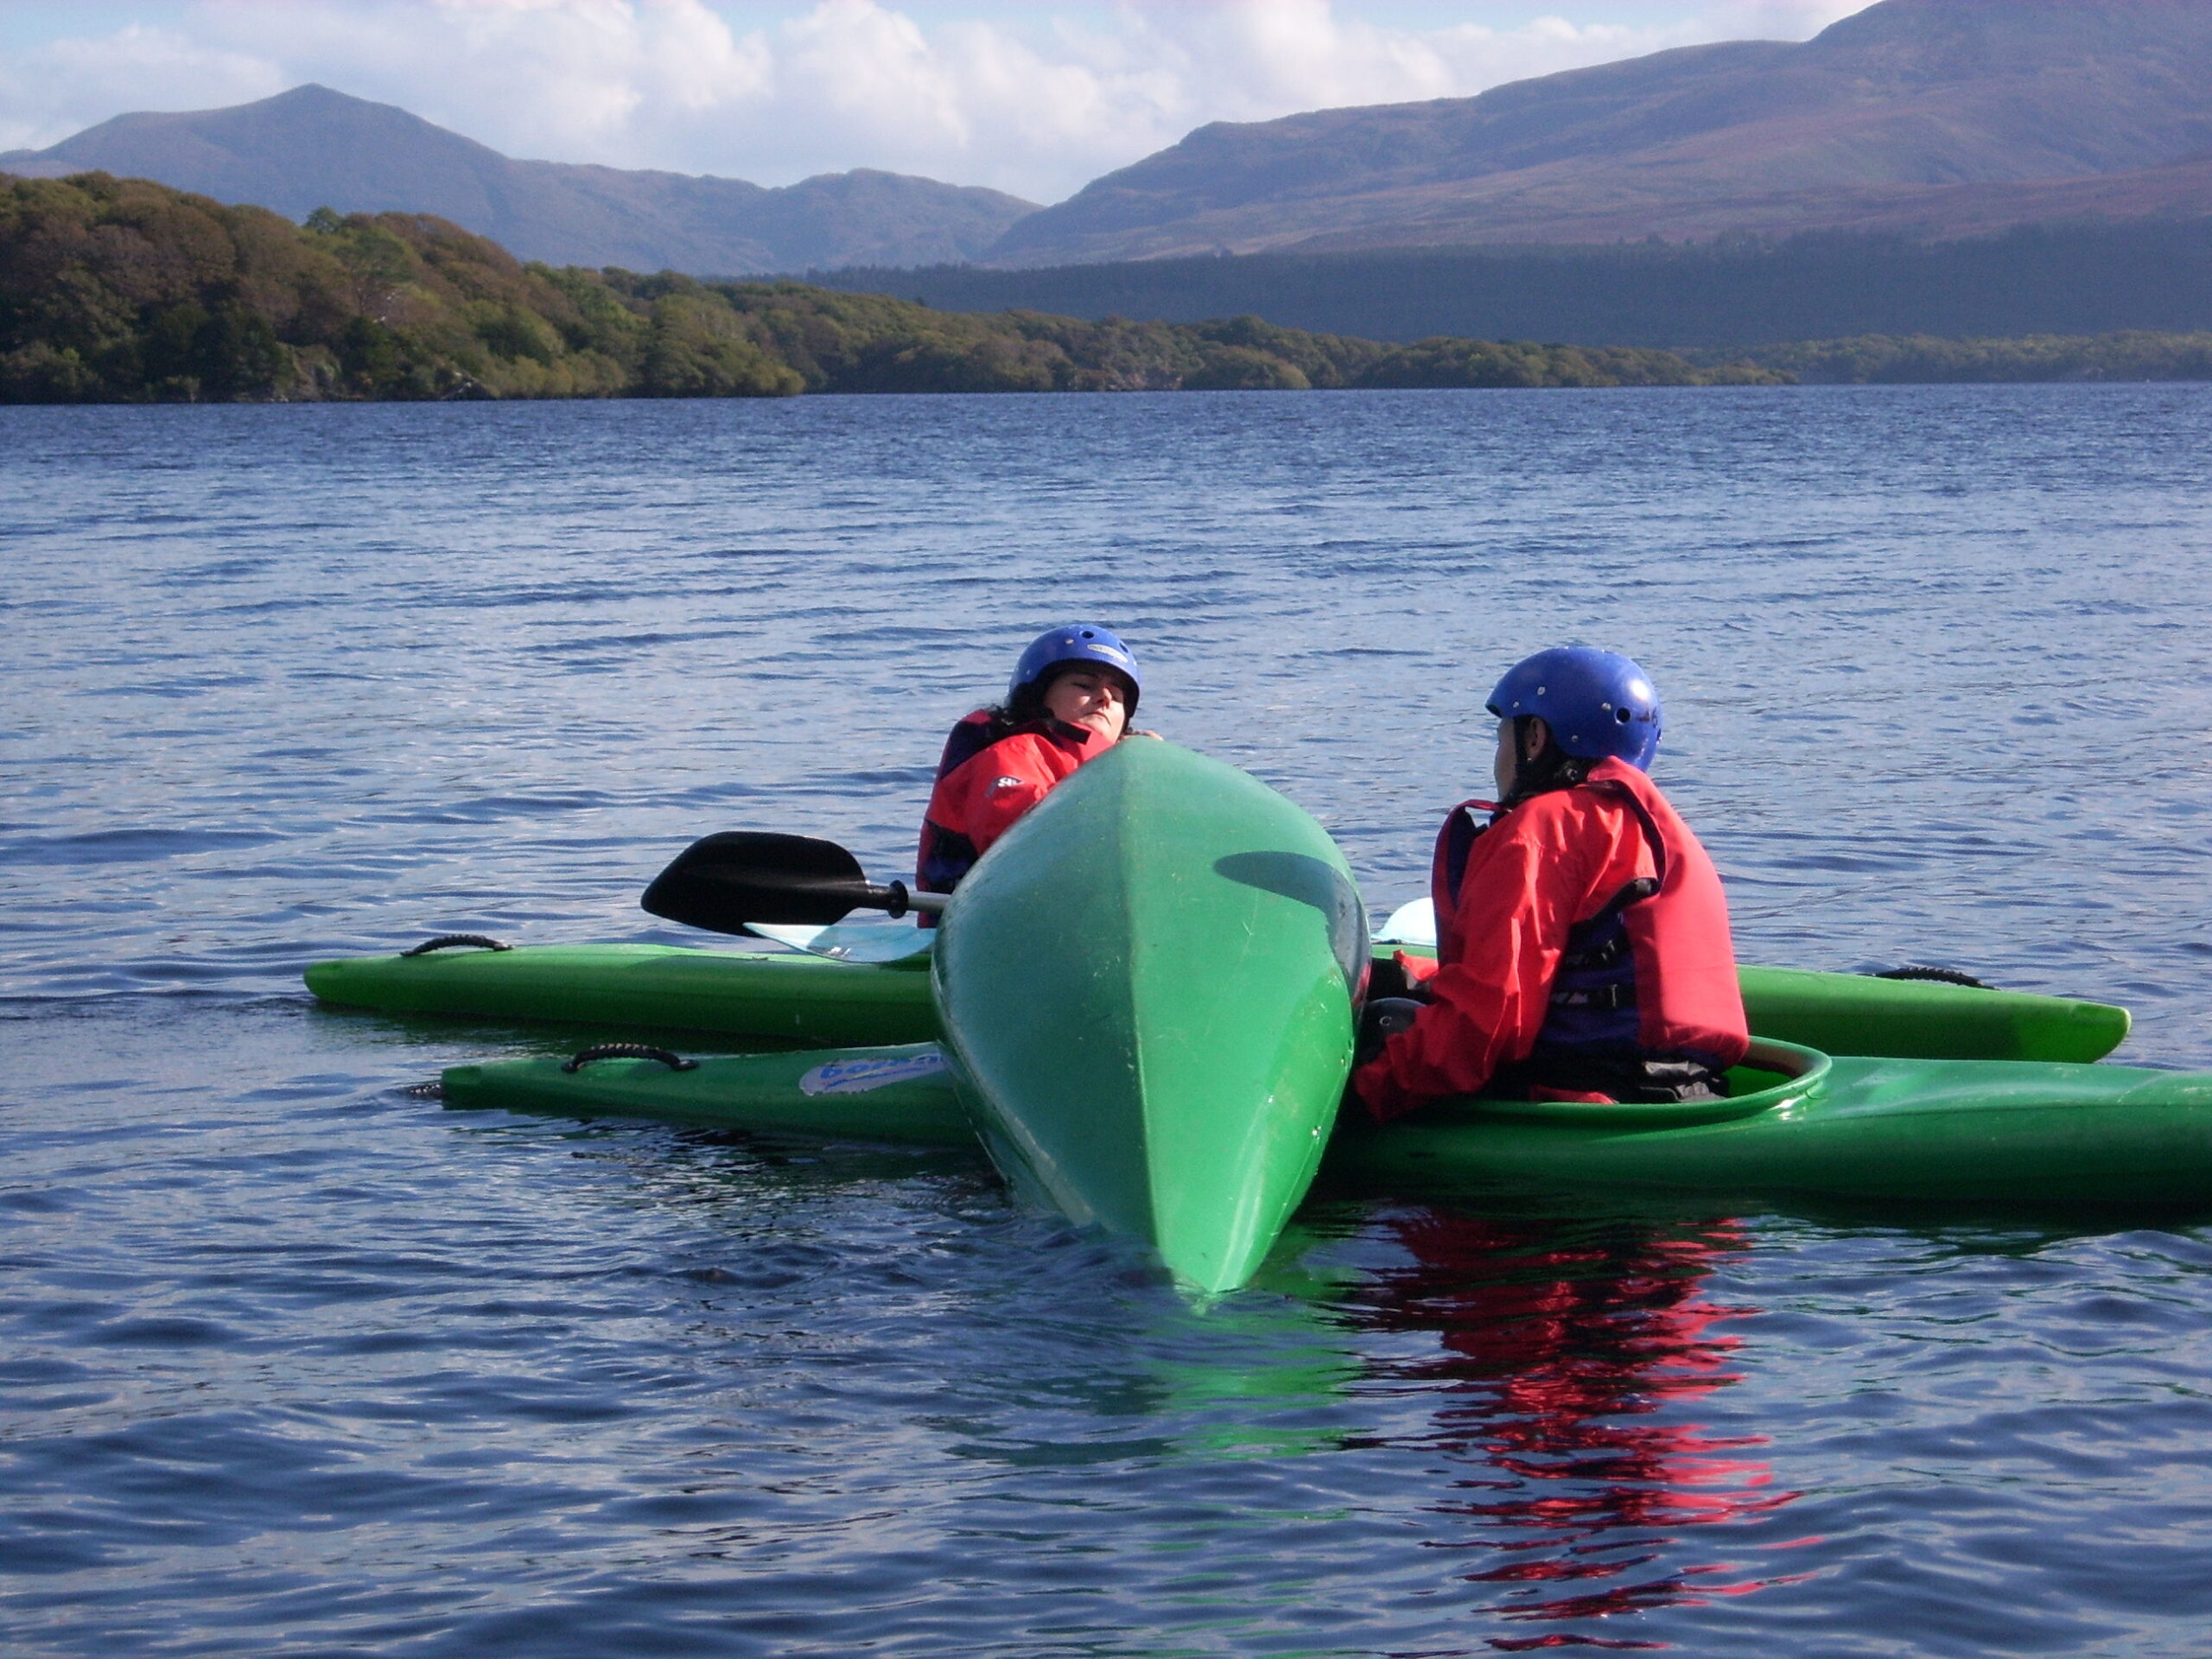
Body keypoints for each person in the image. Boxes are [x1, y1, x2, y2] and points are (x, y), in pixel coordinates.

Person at [1354, 646, 1748, 1120]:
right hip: (1682, 1084)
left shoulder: (1541, 830)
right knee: (1399, 992)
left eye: (1503, 737)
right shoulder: (1649, 825)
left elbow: (1487, 1025)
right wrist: (1411, 977)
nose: (1498, 757)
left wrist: (1360, 1099)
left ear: (1536, 737)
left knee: (1387, 1022)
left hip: (1590, 1097)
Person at [916, 624, 1145, 903]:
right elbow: (1022, 841)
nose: (1105, 698)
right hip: (1001, 917)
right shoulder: (1016, 753)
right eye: (1085, 685)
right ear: (1037, 697)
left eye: (1118, 695)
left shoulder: (1130, 766)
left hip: (1090, 904)